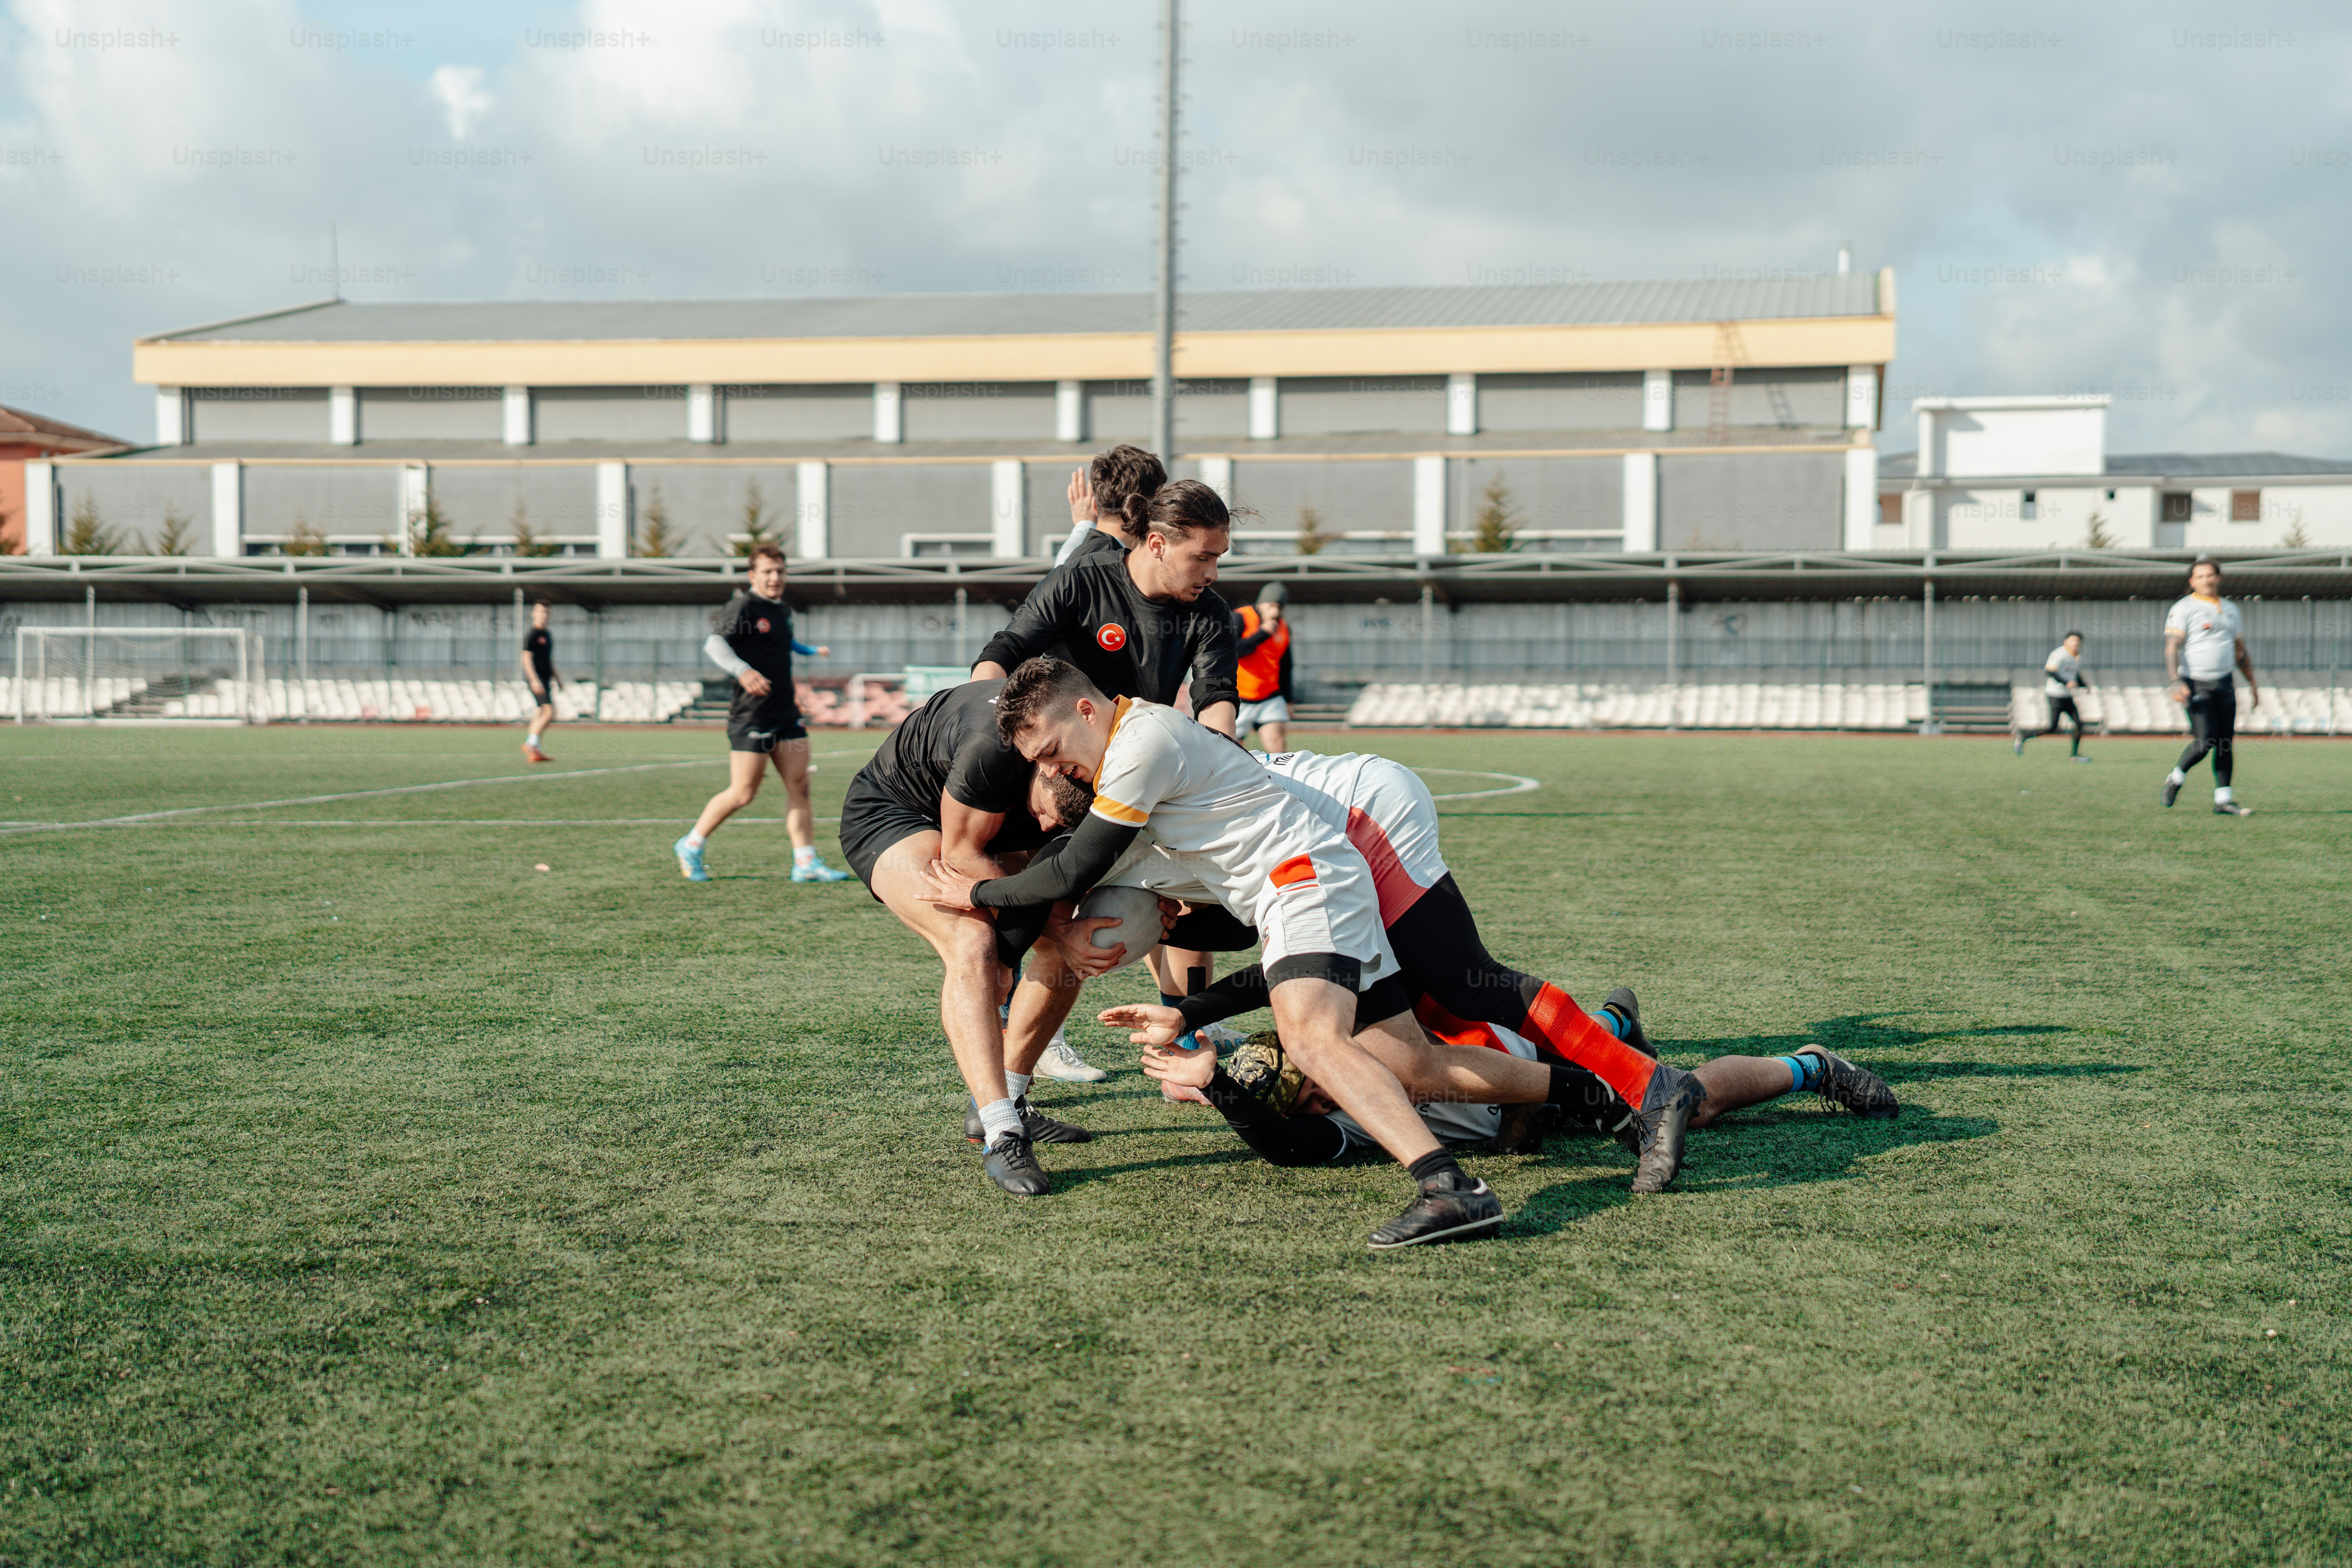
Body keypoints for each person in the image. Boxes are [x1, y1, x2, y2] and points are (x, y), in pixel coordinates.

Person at [1094, 747, 1730, 1189]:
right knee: (1422, 1026)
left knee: (1457, 984)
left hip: (1359, 820)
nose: (1323, 1093)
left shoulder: (1146, 826)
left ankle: (1646, 1082)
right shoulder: (1167, 835)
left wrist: (994, 895)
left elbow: (1287, 963)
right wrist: (1189, 1013)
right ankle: (1622, 1056)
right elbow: (1283, 964)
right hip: (1343, 838)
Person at [971, 479, 1246, 1055]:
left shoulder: (1210, 613)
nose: (1212, 572)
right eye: (1202, 557)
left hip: (1145, 779)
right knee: (1050, 905)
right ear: (1155, 544)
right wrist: (993, 740)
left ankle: (1186, 1030)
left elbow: (1216, 698)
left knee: (1193, 892)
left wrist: (1217, 764)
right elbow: (1005, 649)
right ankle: (1019, 1050)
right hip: (1064, 777)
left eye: (1218, 557)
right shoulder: (1083, 579)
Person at [838, 678, 1126, 1194]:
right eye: (1044, 814)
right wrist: (1034, 940)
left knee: (1067, 942)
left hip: (991, 817)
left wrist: (1067, 928)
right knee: (973, 943)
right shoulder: (991, 752)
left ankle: (1009, 1095)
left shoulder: (1111, 751)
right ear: (1046, 764)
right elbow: (963, 858)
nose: (1043, 830)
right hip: (897, 813)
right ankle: (1002, 1133)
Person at [1141, 995, 1895, 1169]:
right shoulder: (1328, 1117)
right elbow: (1280, 1143)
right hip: (1509, 1077)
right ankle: (1610, 1024)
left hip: (1508, 1064)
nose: (1319, 1096)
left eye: (1309, 1083)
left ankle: (1813, 1065)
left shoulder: (1342, 1050)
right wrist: (1214, 1080)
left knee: (1684, 1102)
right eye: (1307, 1100)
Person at [672, 544, 852, 881]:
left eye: (780, 572)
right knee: (743, 792)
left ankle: (805, 862)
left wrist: (812, 650)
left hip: (786, 713)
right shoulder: (743, 606)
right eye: (768, 572)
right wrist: (742, 671)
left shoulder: (782, 610)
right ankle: (691, 844)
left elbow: (787, 643)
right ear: (753, 575)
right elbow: (714, 644)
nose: (775, 578)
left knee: (800, 785)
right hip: (751, 715)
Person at [2161, 558, 2260, 816]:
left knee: (2225, 742)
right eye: (2200, 576)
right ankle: (2175, 778)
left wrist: (2252, 683)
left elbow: (2240, 651)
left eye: (2210, 575)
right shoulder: (2184, 608)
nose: (2206, 580)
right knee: (2204, 741)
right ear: (2192, 581)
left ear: (2218, 578)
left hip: (2225, 683)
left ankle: (2223, 800)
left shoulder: (2230, 610)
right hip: (2195, 683)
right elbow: (2172, 646)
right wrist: (2175, 679)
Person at [1233, 582, 1295, 752]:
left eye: (1280, 608)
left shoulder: (1284, 627)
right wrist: (1263, 634)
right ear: (1261, 604)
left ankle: (1280, 779)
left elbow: (1286, 666)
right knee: (1232, 754)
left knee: (1278, 755)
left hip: (1270, 697)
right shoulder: (1241, 617)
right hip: (1239, 697)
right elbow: (1233, 651)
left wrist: (1288, 700)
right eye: (1271, 606)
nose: (1275, 612)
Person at [2016, 630, 2093, 760]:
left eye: (2078, 642)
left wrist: (2084, 685)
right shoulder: (2060, 654)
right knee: (2052, 728)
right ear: (2066, 642)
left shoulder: (2075, 656)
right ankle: (2023, 738)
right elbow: (2050, 671)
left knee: (2079, 724)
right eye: (2073, 641)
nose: (2076, 644)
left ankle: (2074, 755)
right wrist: (2066, 682)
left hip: (2067, 696)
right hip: (2055, 695)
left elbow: (2075, 675)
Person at [519, 601, 560, 762]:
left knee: (539, 712)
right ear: (534, 614)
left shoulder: (548, 635)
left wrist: (558, 678)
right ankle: (531, 744)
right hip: (537, 679)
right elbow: (526, 657)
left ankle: (535, 750)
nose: (544, 616)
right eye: (541, 612)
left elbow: (549, 660)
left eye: (547, 613)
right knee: (549, 712)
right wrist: (534, 679)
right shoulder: (533, 635)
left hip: (546, 678)